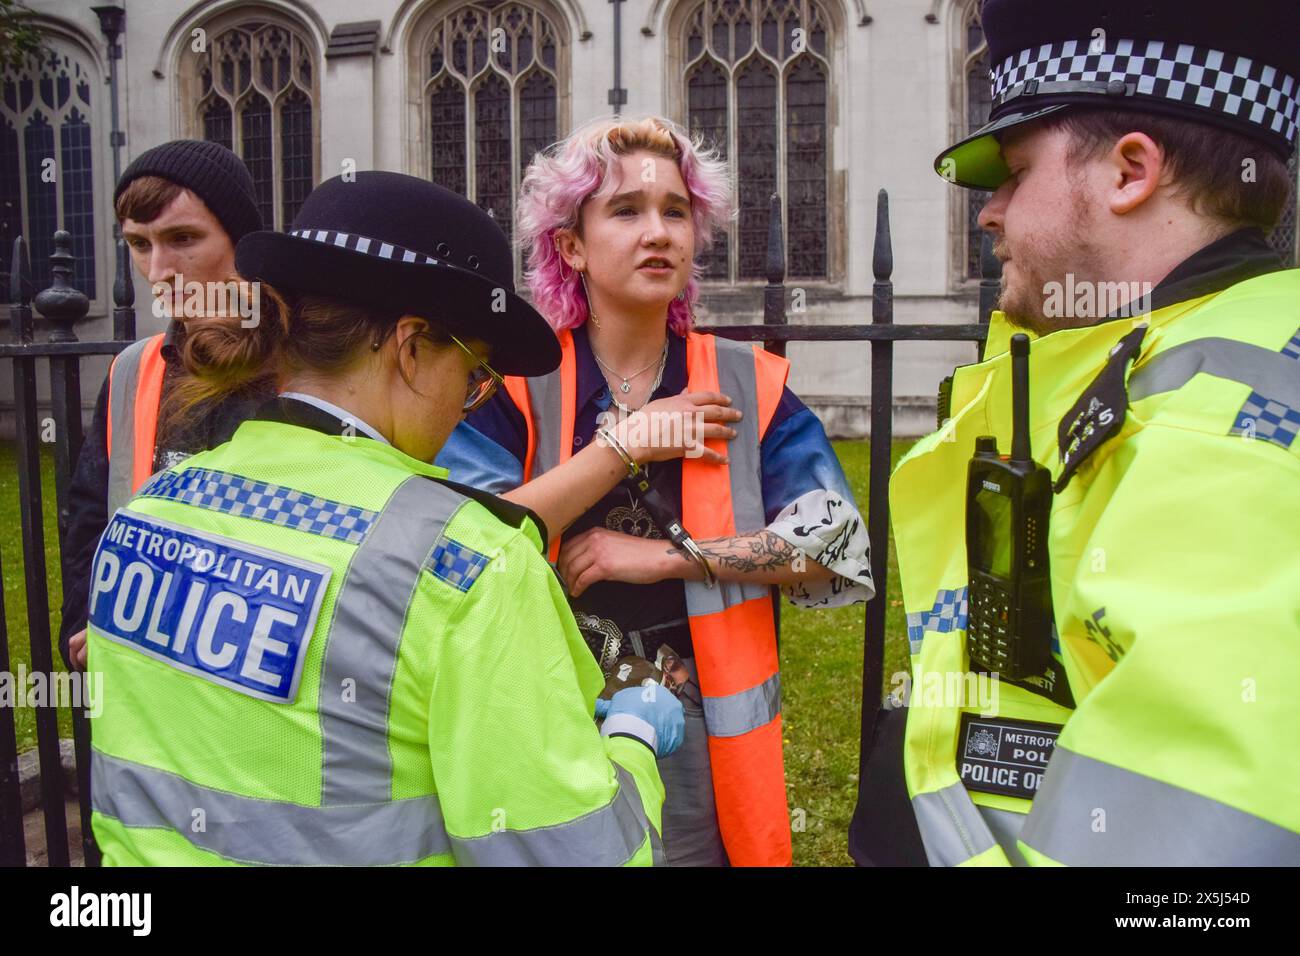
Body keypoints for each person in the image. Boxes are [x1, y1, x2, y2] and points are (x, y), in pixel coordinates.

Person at [85, 171, 682, 866]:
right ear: (408, 347)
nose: (468, 398)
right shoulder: (467, 566)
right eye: (473, 372)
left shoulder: (146, 516)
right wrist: (633, 740)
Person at [849, 0, 1300, 866]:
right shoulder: (1141, 364)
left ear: (1130, 172)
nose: (990, 213)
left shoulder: (1225, 431)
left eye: (1015, 173)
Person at [436, 116, 875, 867]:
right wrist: (625, 444)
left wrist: (668, 558)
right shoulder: (513, 387)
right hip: (541, 714)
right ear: (570, 246)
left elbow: (837, 550)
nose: (660, 232)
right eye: (627, 210)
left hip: (695, 727)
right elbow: (463, 541)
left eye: (676, 211)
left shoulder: (744, 383)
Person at [60, 139, 267, 671]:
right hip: (140, 668)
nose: (158, 271)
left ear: (241, 240)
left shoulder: (302, 365)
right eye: (138, 244)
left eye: (183, 239)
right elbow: (89, 517)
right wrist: (86, 615)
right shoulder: (133, 369)